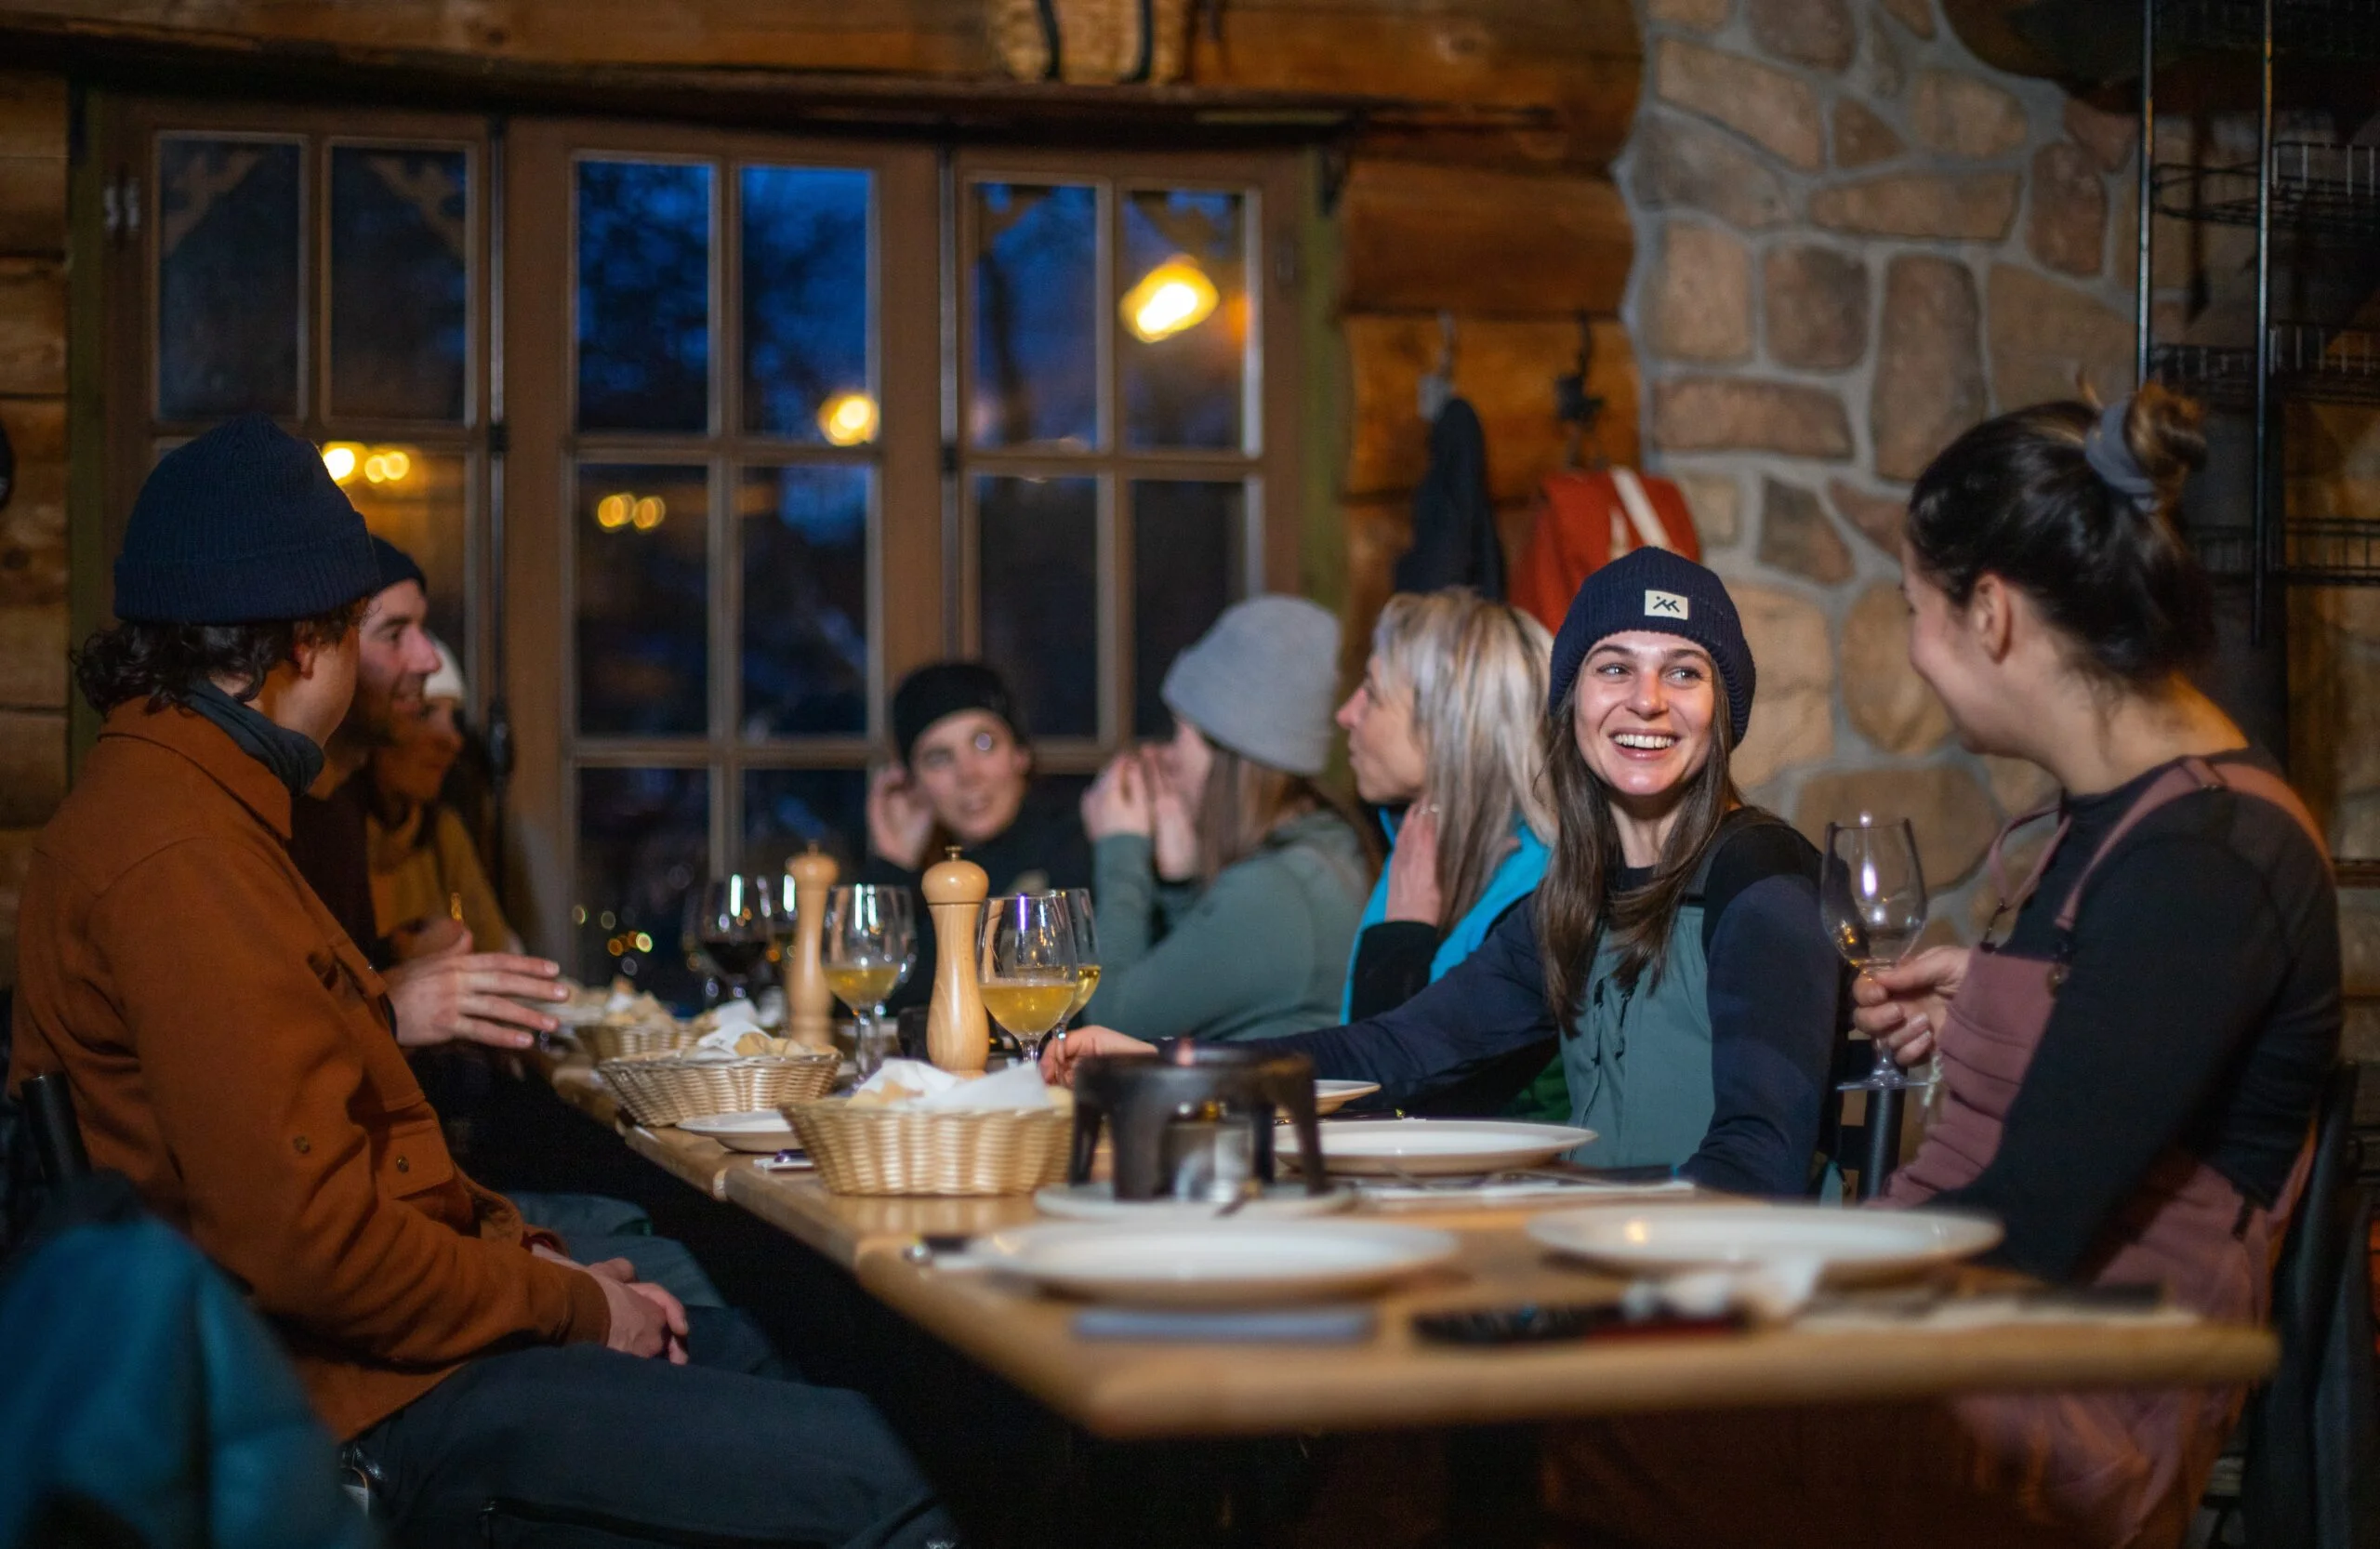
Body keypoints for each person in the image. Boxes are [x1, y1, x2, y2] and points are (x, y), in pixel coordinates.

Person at [7, 415, 956, 1548]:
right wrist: (570, 1304)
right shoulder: (182, 856)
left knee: (789, 1343)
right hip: (367, 1411)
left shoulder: (198, 808)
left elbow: (332, 1175)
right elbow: (311, 1247)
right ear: (302, 644)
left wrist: (525, 1261)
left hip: (372, 1364)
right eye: (362, 632)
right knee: (905, 1469)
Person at [1541, 391, 2339, 1548]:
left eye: (1916, 610)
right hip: (1958, 1344)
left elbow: (2019, 1231)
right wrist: (1999, 999)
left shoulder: (2208, 862)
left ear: (1993, 615)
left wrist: (1742, 1282)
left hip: (2045, 1408)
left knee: (1545, 1419)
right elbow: (2111, 1054)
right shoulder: (2115, 828)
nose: (1913, 649)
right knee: (1536, 1376)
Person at [1052, 550, 1842, 1197]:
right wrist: (1168, 1065)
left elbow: (1760, 1156)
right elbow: (1396, 1051)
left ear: (1722, 710)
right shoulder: (1577, 894)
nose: (1646, 702)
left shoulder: (1761, 877)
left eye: (1683, 673)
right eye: (1613, 670)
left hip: (1736, 1303)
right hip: (1607, 1275)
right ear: (1571, 704)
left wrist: (1590, 1226)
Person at [291, 536, 570, 1055]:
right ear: (313, 648)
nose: (426, 658)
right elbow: (262, 1038)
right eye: (395, 633)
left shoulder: (339, 805)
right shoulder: (277, 811)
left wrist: (395, 951)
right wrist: (392, 1001)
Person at [1074, 595, 1373, 1042]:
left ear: (1229, 752)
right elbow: (1214, 991)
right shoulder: (1320, 850)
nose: (1169, 756)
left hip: (1276, 1114)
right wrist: (1182, 886)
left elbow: (1109, 1022)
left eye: (1180, 732)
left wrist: (1121, 849)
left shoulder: (1280, 891)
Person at [1335, 589, 1561, 1116]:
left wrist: (1402, 938)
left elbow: (1397, 1098)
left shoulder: (1542, 891)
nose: (1347, 714)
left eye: (1371, 691)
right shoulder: (1417, 844)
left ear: (1446, 726)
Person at [863, 661, 1092, 1013]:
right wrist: (893, 863)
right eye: (939, 758)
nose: (968, 774)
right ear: (914, 782)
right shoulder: (935, 879)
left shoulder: (1077, 847)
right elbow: (866, 999)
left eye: (984, 743)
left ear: (1020, 754)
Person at [366, 637, 514, 954]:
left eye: (454, 718)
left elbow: (501, 950)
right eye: (424, 714)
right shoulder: (329, 841)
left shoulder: (442, 834)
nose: (452, 740)